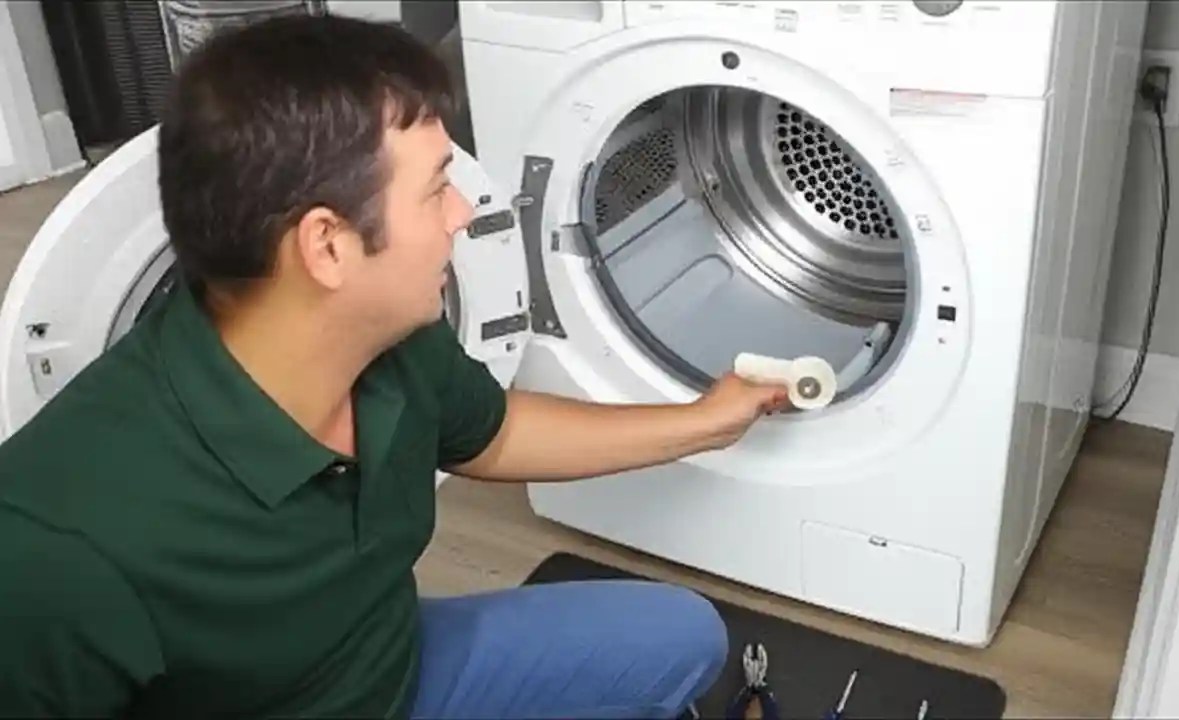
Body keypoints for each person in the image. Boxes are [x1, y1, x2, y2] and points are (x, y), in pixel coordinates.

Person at [0, 13, 789, 720]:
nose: (465, 212)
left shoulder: (389, 338)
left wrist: (704, 423)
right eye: (438, 188)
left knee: (681, 637)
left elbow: (492, 432)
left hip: (389, 672)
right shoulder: (61, 549)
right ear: (328, 245)